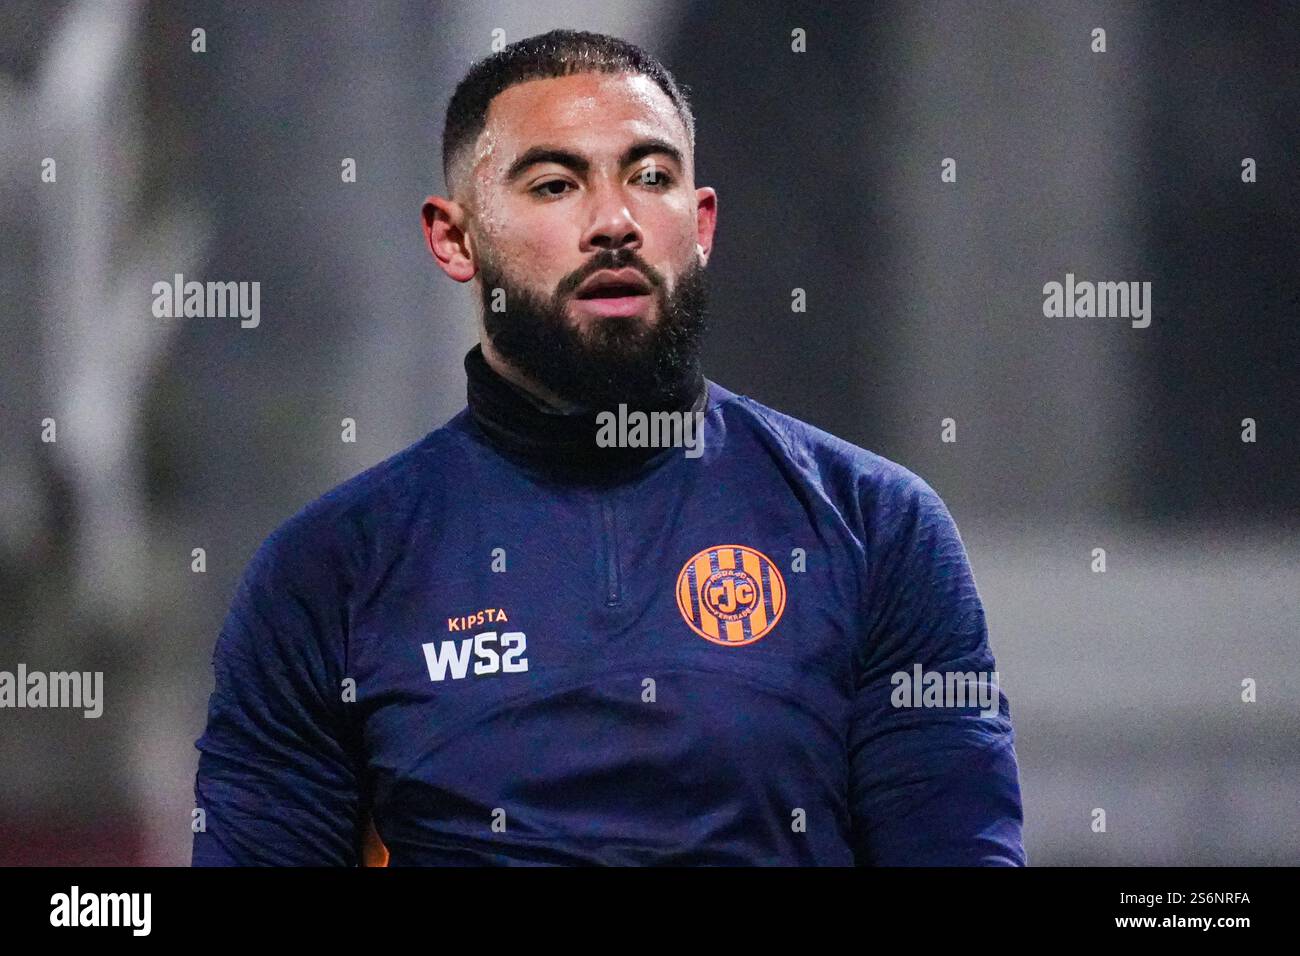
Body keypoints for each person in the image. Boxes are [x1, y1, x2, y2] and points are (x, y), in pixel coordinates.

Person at [192, 29, 1025, 866]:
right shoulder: (329, 572)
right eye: (556, 184)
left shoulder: (875, 527)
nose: (615, 223)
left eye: (651, 177)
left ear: (700, 225)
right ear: (455, 239)